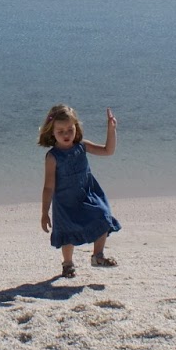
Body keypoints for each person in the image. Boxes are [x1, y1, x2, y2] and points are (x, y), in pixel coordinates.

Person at [38, 104, 121, 277]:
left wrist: (111, 129)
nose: (66, 134)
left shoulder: (82, 146)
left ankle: (98, 255)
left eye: (70, 129)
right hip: (65, 201)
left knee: (103, 215)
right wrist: (44, 212)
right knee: (67, 234)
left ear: (76, 127)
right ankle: (67, 264)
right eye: (60, 131)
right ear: (51, 132)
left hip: (87, 194)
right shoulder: (53, 157)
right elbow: (48, 186)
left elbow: (108, 150)